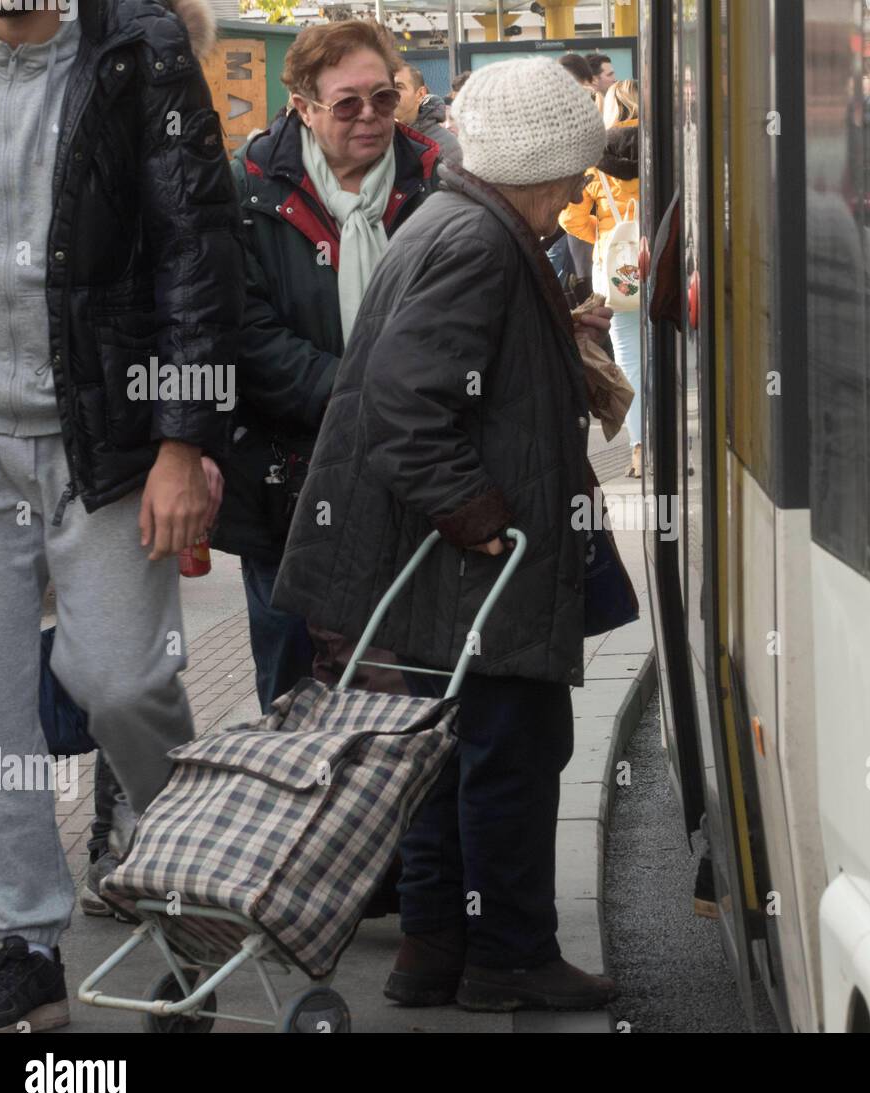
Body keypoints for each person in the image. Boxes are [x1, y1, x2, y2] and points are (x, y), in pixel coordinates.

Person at [272, 57, 623, 1012]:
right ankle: (510, 953)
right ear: (535, 167)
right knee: (515, 750)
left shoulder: (457, 219)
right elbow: (406, 403)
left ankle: (432, 949)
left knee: (439, 755)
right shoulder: (480, 240)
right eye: (570, 175)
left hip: (432, 570)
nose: (576, 192)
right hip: (464, 567)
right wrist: (480, 517)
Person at [0, 0, 241, 1033]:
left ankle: (187, 911)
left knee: (122, 683)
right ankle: (29, 943)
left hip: (108, 436)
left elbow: (196, 250)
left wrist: (186, 442)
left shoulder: (139, 46)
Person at [211, 19, 439, 714]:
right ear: (303, 108)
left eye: (384, 96)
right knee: (293, 680)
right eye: (347, 104)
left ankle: (414, 817)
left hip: (414, 470)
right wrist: (357, 394)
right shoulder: (247, 191)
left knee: (417, 676)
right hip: (290, 482)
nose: (370, 117)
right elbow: (242, 331)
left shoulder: (434, 182)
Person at [559, 78, 644, 476]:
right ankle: (665, 434)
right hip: (660, 258)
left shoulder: (596, 157)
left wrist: (604, 236)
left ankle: (639, 446)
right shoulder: (667, 146)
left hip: (618, 269)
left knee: (626, 355)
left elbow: (570, 215)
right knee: (662, 354)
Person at [394, 61, 462, 165]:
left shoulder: (446, 145)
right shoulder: (379, 138)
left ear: (420, 94)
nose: (390, 93)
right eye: (386, 87)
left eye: (398, 87)